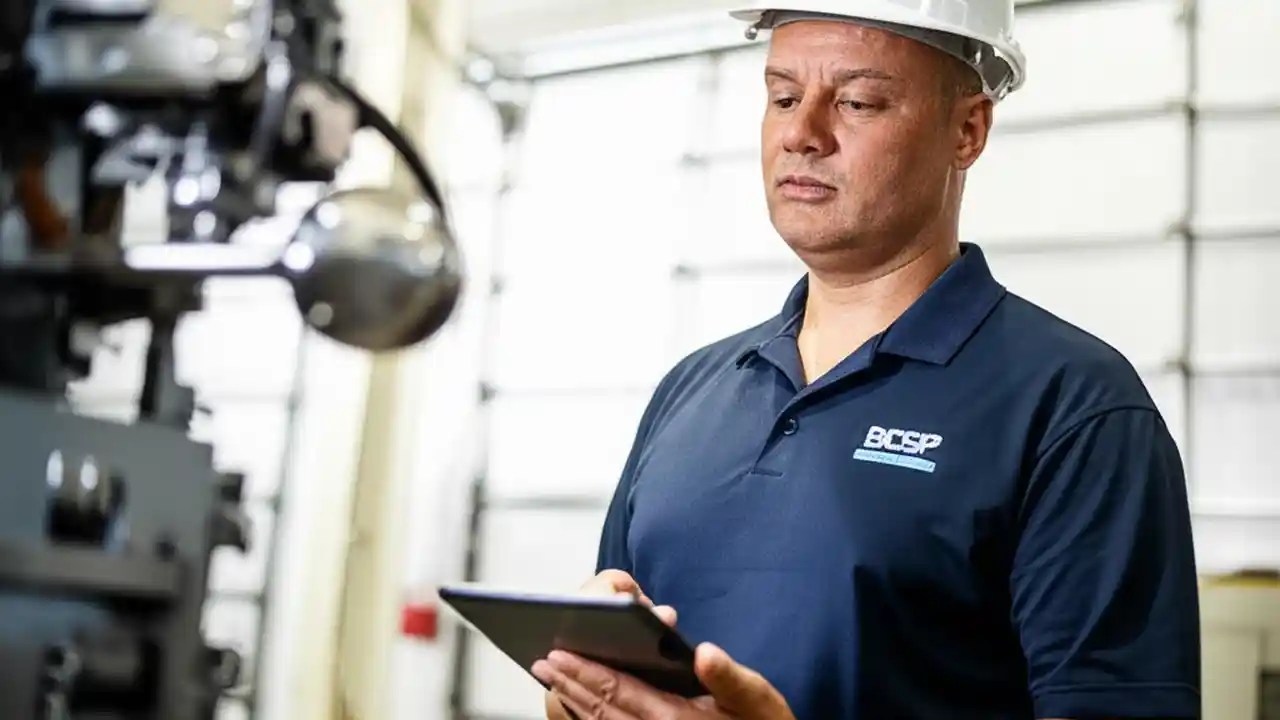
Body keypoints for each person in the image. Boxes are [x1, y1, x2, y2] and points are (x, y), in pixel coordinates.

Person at [534, 1, 1201, 718]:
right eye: (783, 96)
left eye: (856, 101)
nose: (802, 133)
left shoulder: (1074, 409)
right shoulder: (691, 391)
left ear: (966, 130)